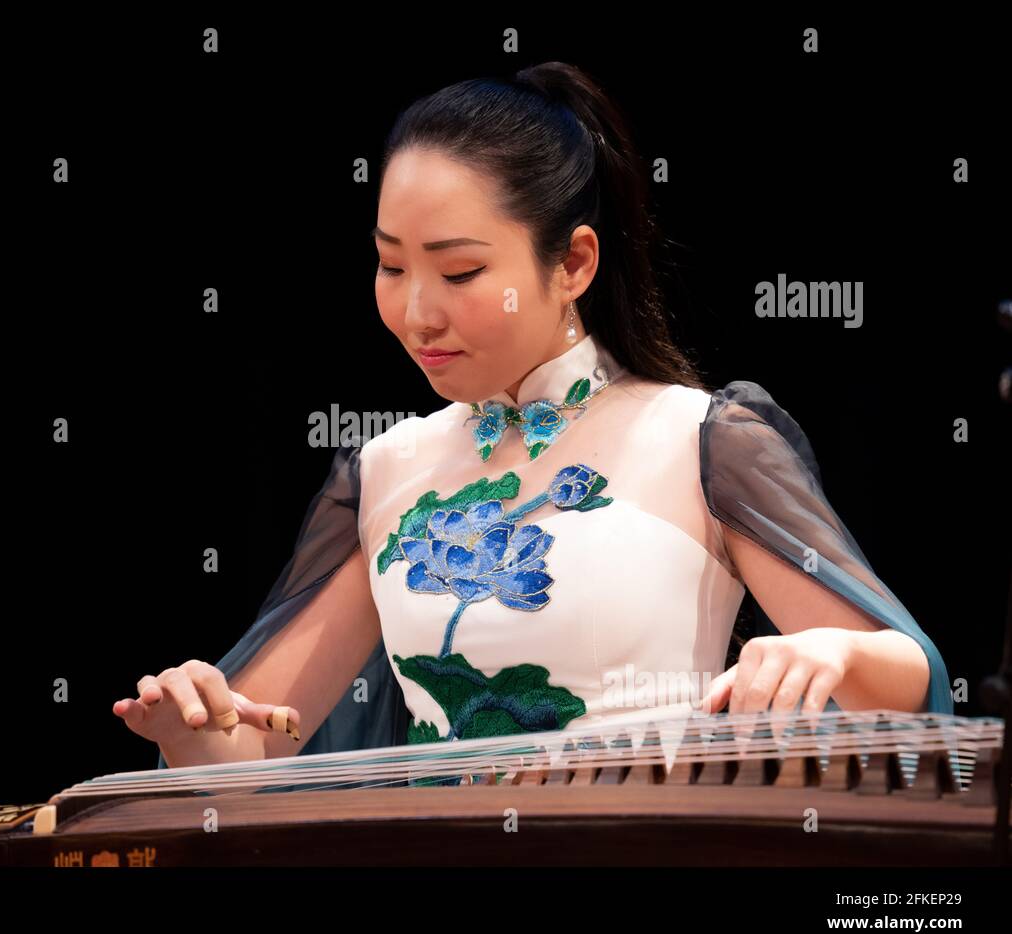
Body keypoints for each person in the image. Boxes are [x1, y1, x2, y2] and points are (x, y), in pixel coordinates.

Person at [114, 62, 952, 771]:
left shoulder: (698, 437)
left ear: (575, 262)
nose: (415, 314)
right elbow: (261, 746)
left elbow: (910, 681)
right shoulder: (384, 471)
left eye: (459, 271)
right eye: (390, 264)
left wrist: (836, 651)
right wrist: (196, 722)